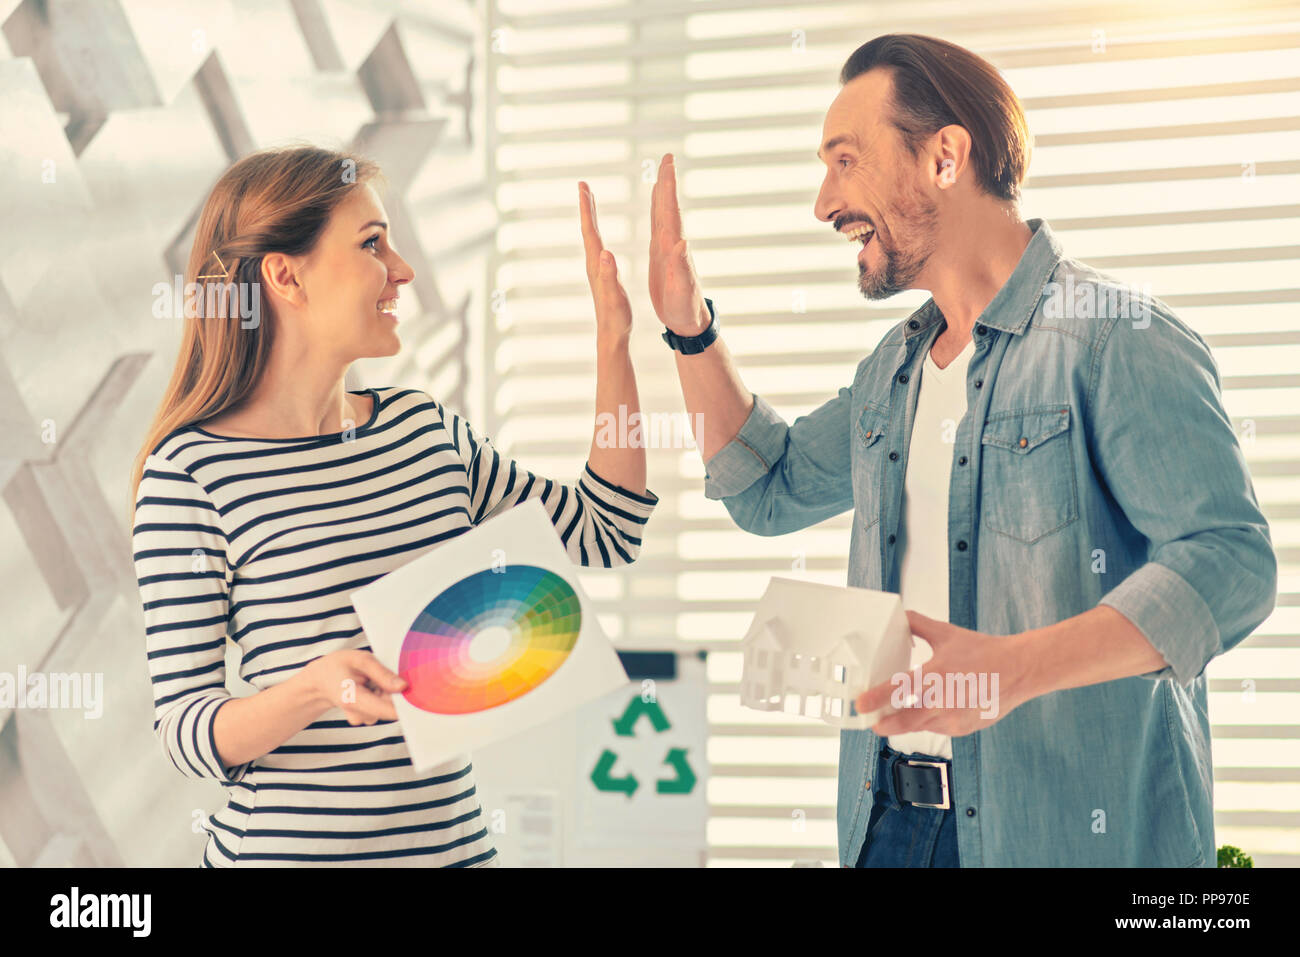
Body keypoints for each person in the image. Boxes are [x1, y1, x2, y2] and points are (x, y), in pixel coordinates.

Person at [648, 34, 1276, 867]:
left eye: (845, 160)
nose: (823, 202)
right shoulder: (896, 370)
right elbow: (771, 487)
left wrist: (1012, 668)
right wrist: (689, 330)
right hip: (890, 827)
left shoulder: (1116, 339)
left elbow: (1231, 563)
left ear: (945, 156)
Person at [129, 145, 656, 866]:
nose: (403, 270)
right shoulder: (190, 473)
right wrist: (314, 687)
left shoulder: (422, 430)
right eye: (373, 244)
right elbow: (185, 730)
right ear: (286, 275)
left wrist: (614, 340)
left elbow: (608, 528)